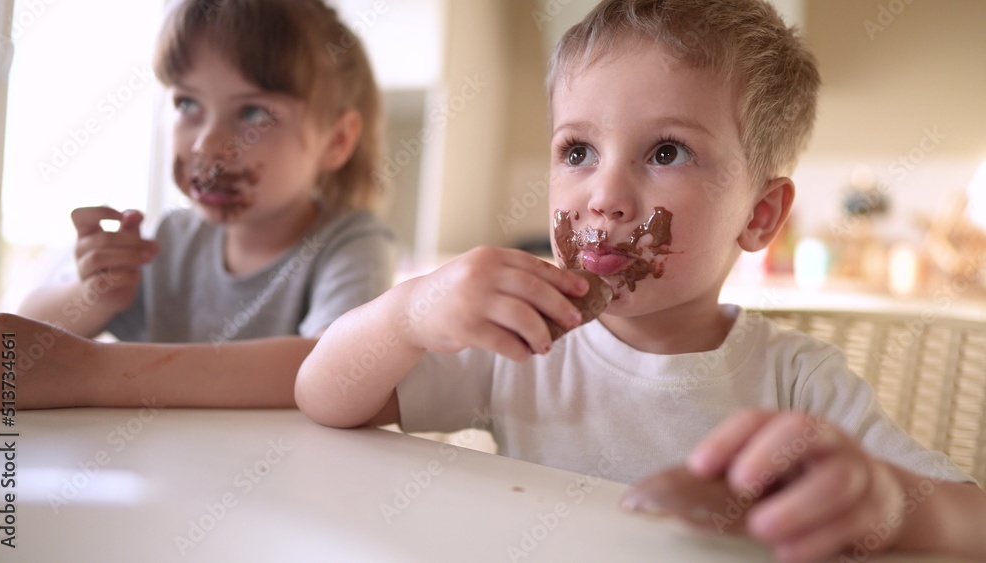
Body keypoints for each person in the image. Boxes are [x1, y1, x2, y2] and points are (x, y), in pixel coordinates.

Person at [293, 0, 986, 561]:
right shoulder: (527, 345)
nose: (604, 195)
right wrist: (409, 311)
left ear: (760, 213)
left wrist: (889, 502)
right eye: (578, 150)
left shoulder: (799, 381)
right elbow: (325, 395)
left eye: (666, 151)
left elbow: (971, 518)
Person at [0, 0, 395, 408]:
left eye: (254, 112)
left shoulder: (352, 244)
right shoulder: (171, 240)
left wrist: (92, 371)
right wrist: (93, 295)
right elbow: (21, 335)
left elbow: (338, 370)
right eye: (187, 103)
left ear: (336, 140)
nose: (207, 143)